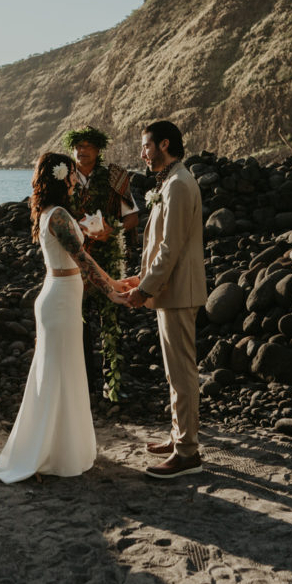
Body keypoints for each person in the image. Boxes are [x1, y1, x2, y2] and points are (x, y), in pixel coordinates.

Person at [0, 152, 128, 484]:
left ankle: (60, 450)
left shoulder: (54, 213)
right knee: (58, 374)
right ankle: (49, 453)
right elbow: (81, 261)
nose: (76, 180)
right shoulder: (59, 215)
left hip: (61, 294)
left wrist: (115, 281)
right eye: (73, 175)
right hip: (60, 297)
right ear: (62, 178)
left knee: (64, 372)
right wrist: (111, 292)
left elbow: (79, 257)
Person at [123, 121, 207, 480]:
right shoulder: (171, 182)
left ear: (164, 145)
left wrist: (144, 291)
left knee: (182, 372)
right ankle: (178, 437)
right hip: (169, 289)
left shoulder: (179, 185)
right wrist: (142, 279)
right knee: (175, 372)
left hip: (177, 290)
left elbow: (171, 248)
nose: (142, 153)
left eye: (146, 146)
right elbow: (160, 244)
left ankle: (187, 452)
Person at [63, 125, 139, 402]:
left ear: (98, 150)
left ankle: (113, 385)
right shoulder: (63, 178)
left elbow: (133, 218)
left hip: (108, 259)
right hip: (73, 262)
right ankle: (84, 385)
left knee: (111, 322)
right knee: (77, 322)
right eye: (78, 146)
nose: (82, 151)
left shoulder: (114, 178)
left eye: (88, 146)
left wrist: (112, 230)